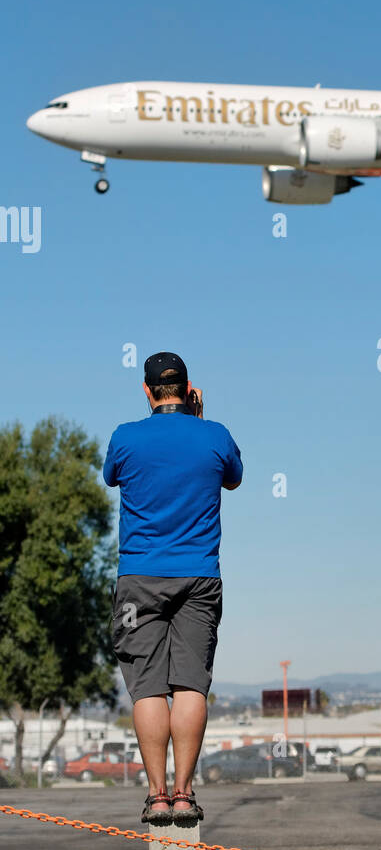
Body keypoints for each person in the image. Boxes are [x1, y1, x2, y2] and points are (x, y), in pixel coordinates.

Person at [103, 352, 242, 826]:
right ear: (188, 389)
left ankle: (157, 795)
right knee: (190, 684)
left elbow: (112, 475)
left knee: (147, 687)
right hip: (200, 577)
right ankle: (185, 794)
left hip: (139, 577)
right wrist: (199, 420)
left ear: (147, 391)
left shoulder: (126, 437)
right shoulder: (215, 435)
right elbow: (233, 478)